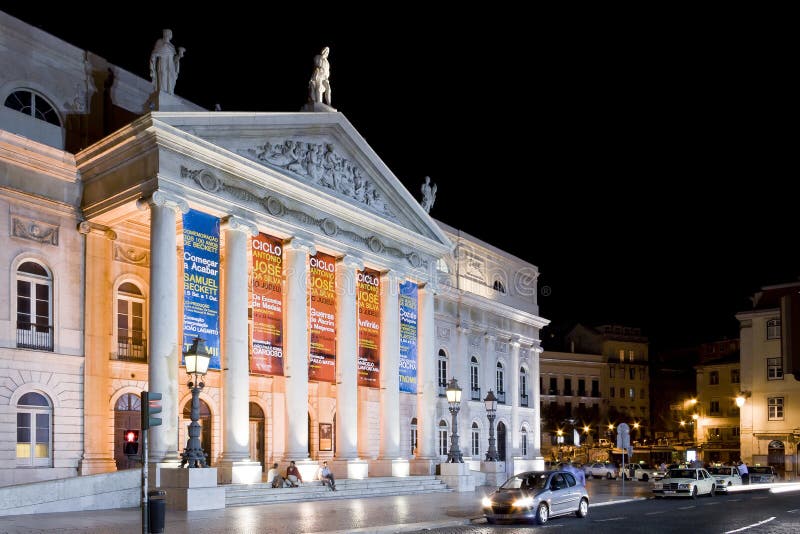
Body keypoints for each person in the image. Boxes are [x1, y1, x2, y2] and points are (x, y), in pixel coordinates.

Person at [150, 29, 185, 95]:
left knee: (172, 77)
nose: (167, 34)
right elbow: (155, 52)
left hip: (170, 64)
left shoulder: (172, 46)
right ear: (164, 34)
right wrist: (156, 54)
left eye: (169, 33)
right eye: (166, 33)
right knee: (163, 75)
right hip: (162, 61)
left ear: (171, 35)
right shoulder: (160, 41)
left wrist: (179, 56)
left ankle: (170, 92)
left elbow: (174, 60)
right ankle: (162, 91)